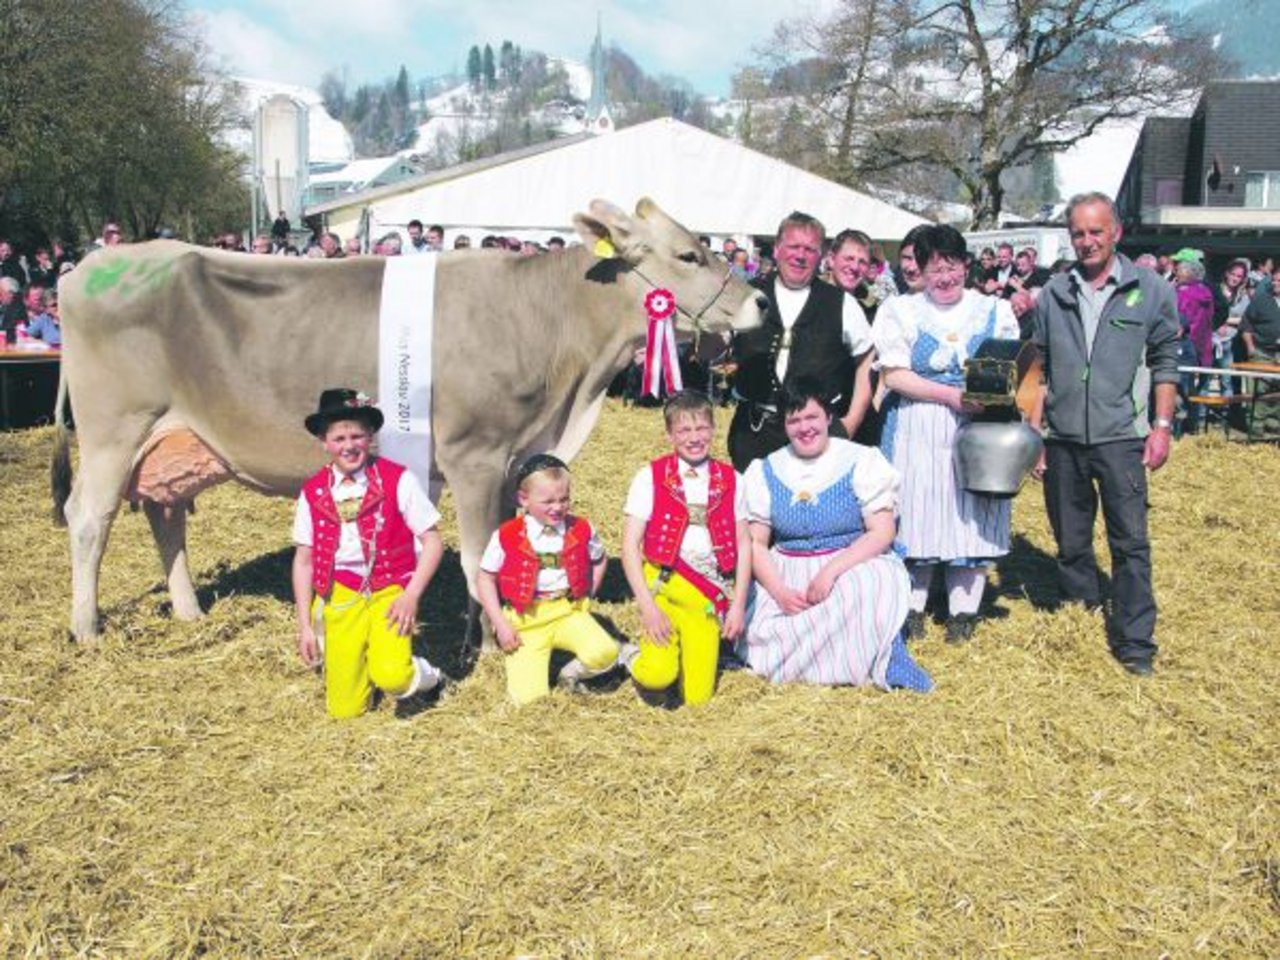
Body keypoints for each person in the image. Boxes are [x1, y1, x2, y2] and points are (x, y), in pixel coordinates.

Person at [1029, 192, 1179, 677]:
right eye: (1078, 233)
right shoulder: (1054, 292)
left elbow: (1165, 363)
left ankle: (1135, 640)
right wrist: (1036, 432)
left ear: (1115, 232)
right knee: (1071, 540)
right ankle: (1082, 613)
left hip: (1122, 438)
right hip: (1065, 438)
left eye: (1096, 231)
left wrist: (1160, 427)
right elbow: (1041, 369)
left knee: (1130, 542)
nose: (1087, 241)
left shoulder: (1150, 288)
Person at [874, 224, 1021, 643]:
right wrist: (951, 396)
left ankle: (963, 613)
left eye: (952, 266)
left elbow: (1013, 366)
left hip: (979, 427)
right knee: (916, 511)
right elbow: (896, 375)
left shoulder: (994, 310)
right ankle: (911, 609)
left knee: (971, 514)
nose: (944, 277)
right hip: (917, 424)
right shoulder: (900, 311)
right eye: (935, 268)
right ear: (919, 270)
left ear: (966, 266)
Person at [736, 378, 932, 691]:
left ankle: (867, 659)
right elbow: (756, 543)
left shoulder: (860, 460)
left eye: (812, 417)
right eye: (794, 420)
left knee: (867, 587)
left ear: (828, 417)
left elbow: (882, 532)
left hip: (848, 562)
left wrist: (830, 573)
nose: (804, 428)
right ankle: (816, 660)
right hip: (788, 565)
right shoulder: (766, 468)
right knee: (761, 609)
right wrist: (780, 592)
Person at [291, 388, 446, 718]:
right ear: (324, 442)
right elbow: (304, 561)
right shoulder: (313, 491)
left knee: (393, 676)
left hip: (390, 589)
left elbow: (433, 541)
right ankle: (361, 662)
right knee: (345, 711)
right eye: (339, 438)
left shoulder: (397, 479)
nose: (349, 446)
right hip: (341, 593)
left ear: (371, 437)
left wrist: (411, 595)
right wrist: (305, 624)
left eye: (357, 436)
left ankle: (431, 678)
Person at [621, 392, 751, 708]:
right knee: (656, 677)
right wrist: (649, 608)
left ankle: (685, 657)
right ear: (669, 435)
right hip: (664, 587)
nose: (694, 438)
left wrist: (737, 605)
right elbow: (628, 546)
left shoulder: (732, 479)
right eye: (684, 431)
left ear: (713, 429)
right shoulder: (649, 477)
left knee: (698, 699)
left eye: (701, 429)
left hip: (707, 593)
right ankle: (631, 656)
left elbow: (745, 543)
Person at [728, 211, 875, 471]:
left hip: (816, 440)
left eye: (810, 249)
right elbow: (715, 351)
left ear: (821, 256)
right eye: (794, 246)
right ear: (776, 249)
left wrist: (850, 424)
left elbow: (866, 363)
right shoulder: (747, 294)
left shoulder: (843, 304)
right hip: (753, 434)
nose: (800, 255)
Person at [475, 454, 619, 705]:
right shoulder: (506, 535)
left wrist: (587, 593)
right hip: (526, 620)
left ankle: (570, 674)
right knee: (529, 702)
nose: (558, 507)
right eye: (548, 501)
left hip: (567, 611)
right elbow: (485, 578)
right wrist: (500, 622)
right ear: (524, 500)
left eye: (564, 499)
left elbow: (599, 558)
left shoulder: (582, 528)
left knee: (605, 654)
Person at [1171, 252, 1215, 436]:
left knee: (1178, 385)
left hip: (1183, 344)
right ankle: (1193, 425)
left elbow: (1179, 322)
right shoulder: (1205, 292)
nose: (1176, 272)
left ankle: (1177, 429)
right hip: (1202, 344)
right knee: (1193, 388)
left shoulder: (1183, 293)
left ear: (1189, 273)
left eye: (1180, 269)